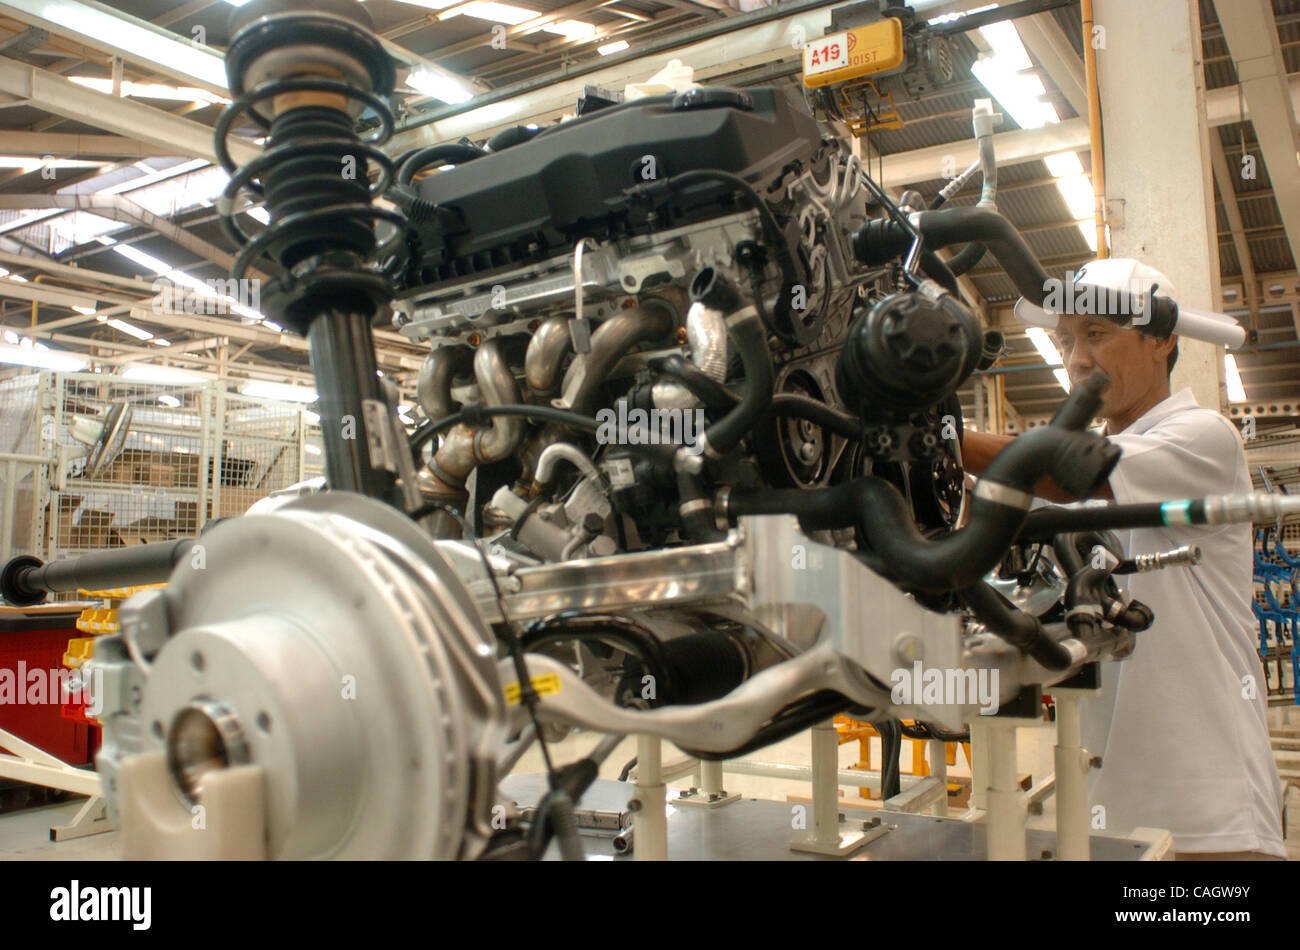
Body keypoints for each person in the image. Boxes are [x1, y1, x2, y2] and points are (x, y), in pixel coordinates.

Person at [962, 258, 1286, 860]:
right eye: (1066, 339)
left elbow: (1060, 472)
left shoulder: (1201, 436)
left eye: (1096, 334)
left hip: (1210, 816)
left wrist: (936, 434)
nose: (1076, 357)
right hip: (1118, 816)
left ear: (1161, 340)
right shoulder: (1100, 460)